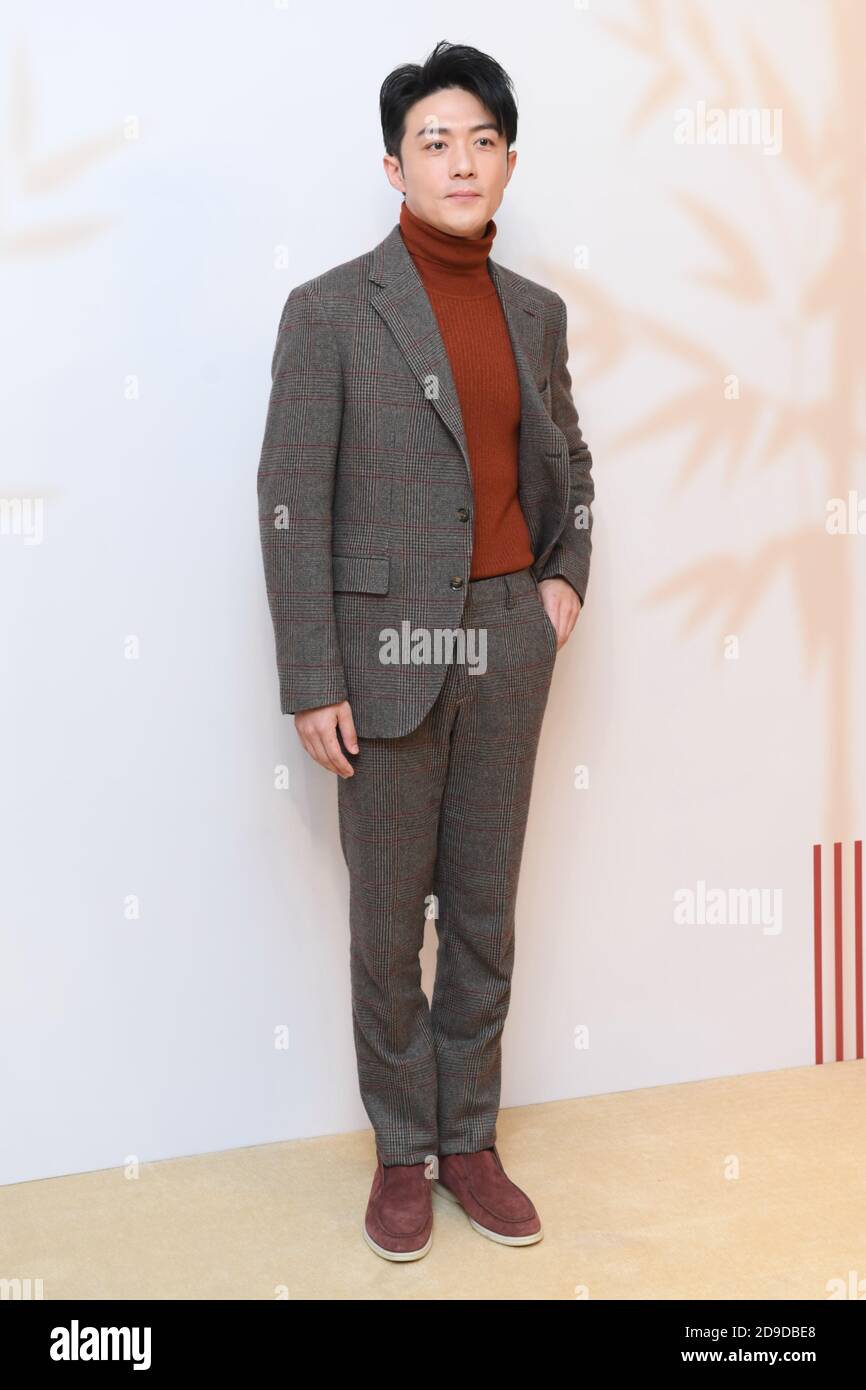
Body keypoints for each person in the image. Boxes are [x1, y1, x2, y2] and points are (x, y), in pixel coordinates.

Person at [256, 39, 594, 1261]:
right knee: (387, 918)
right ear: (392, 165)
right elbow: (288, 500)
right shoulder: (333, 311)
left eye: (481, 139)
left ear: (508, 158)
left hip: (508, 641)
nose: (460, 161)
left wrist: (559, 581)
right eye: (434, 142)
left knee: (487, 912)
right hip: (381, 652)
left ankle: (470, 1143)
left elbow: (571, 463)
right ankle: (401, 1152)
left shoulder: (537, 314)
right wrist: (312, 677)